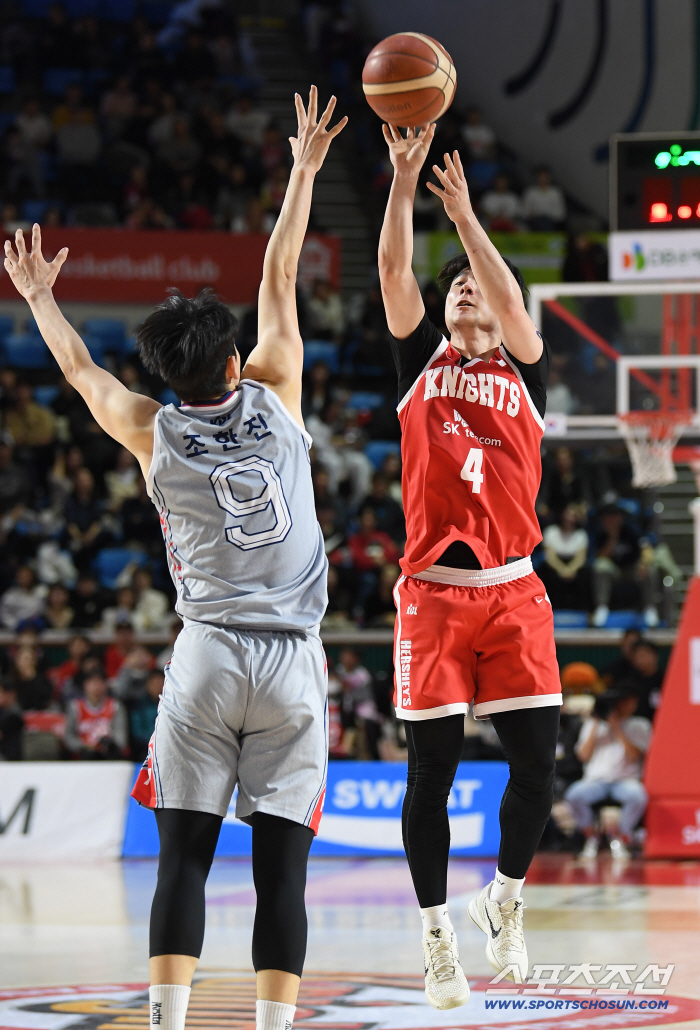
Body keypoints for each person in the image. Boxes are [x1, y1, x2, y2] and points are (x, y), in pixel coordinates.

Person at [2, 85, 345, 1030]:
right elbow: (278, 278)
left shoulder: (148, 429)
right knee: (282, 876)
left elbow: (78, 369)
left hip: (204, 657)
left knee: (183, 861)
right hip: (291, 664)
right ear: (234, 365)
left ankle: (167, 1022)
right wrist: (305, 170)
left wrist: (40, 296)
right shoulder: (279, 397)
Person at [377, 124, 561, 1006]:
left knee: (538, 770)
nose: (462, 295)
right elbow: (391, 275)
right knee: (432, 778)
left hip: (516, 593)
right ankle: (437, 933)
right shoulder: (421, 362)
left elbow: (509, 300)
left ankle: (506, 900)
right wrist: (408, 185)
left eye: (475, 290)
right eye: (455, 288)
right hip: (435, 599)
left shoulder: (527, 364)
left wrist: (468, 216)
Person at [565, 686, 651, 860]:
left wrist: (617, 728)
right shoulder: (592, 724)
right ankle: (591, 835)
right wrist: (597, 721)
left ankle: (621, 835)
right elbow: (583, 755)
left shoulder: (640, 724)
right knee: (574, 795)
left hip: (625, 780)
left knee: (638, 796)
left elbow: (636, 756)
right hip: (596, 781)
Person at [64, 670, 129, 759]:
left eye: (100, 682)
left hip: (109, 754)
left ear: (106, 685)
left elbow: (121, 740)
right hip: (83, 754)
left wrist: (107, 746)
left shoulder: (116, 706)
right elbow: (69, 738)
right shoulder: (75, 707)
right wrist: (85, 745)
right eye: (93, 682)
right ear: (85, 685)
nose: (97, 686)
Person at [538, 504, 590, 610]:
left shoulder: (581, 534)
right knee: (544, 572)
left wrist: (570, 570)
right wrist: (562, 570)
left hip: (573, 566)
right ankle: (546, 608)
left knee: (587, 574)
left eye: (573, 516)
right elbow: (550, 556)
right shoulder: (551, 532)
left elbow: (580, 558)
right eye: (567, 515)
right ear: (561, 515)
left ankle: (585, 611)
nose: (569, 519)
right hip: (555, 565)